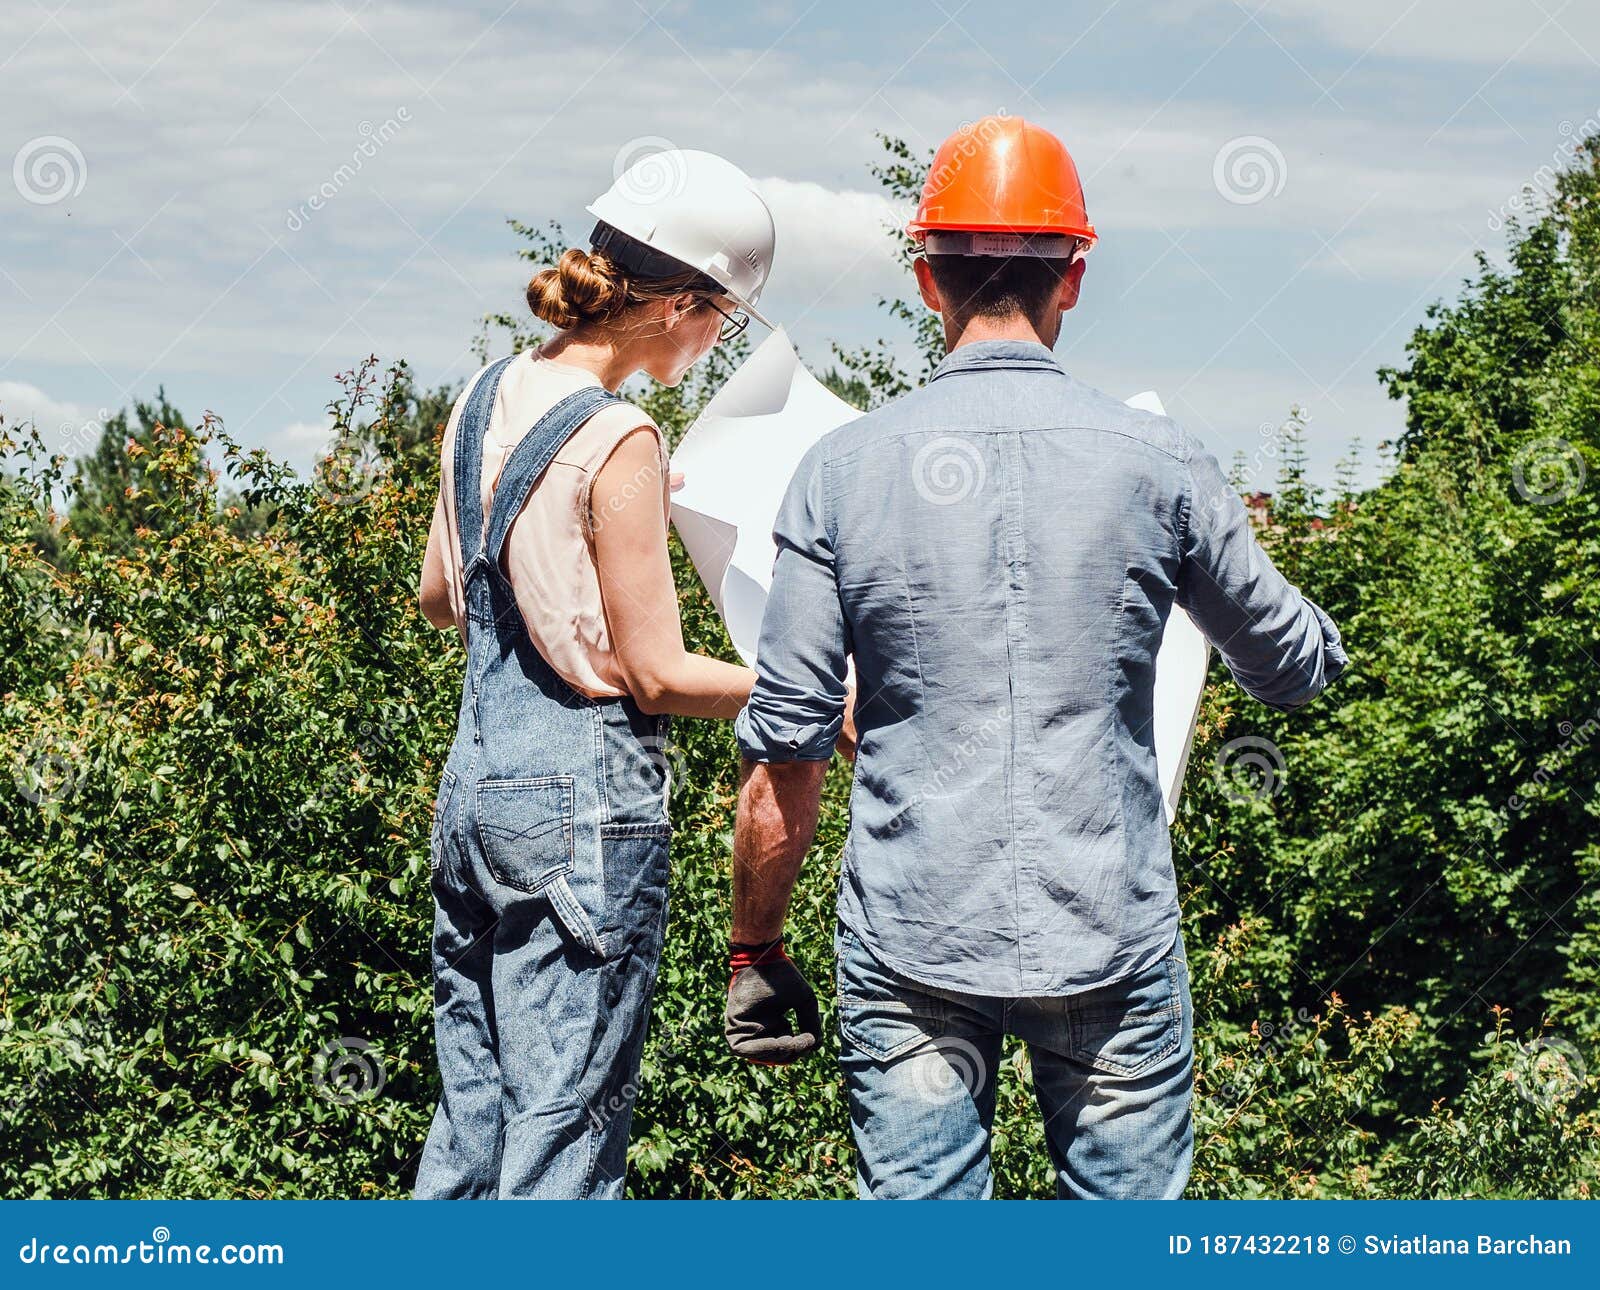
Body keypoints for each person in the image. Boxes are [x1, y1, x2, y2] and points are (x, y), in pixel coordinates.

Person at [722, 114, 1349, 1199]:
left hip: (913, 937)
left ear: (928, 280)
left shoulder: (838, 473)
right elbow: (1293, 666)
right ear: (1076, 277)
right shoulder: (1159, 464)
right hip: (1108, 930)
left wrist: (754, 951)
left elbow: (788, 751)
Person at [413, 148, 775, 1199]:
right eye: (725, 320)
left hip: (475, 792)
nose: (717, 344)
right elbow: (656, 675)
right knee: (564, 1135)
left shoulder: (483, 396)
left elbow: (443, 597)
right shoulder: (621, 435)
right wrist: (800, 687)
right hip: (578, 805)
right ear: (682, 304)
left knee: (471, 1128)